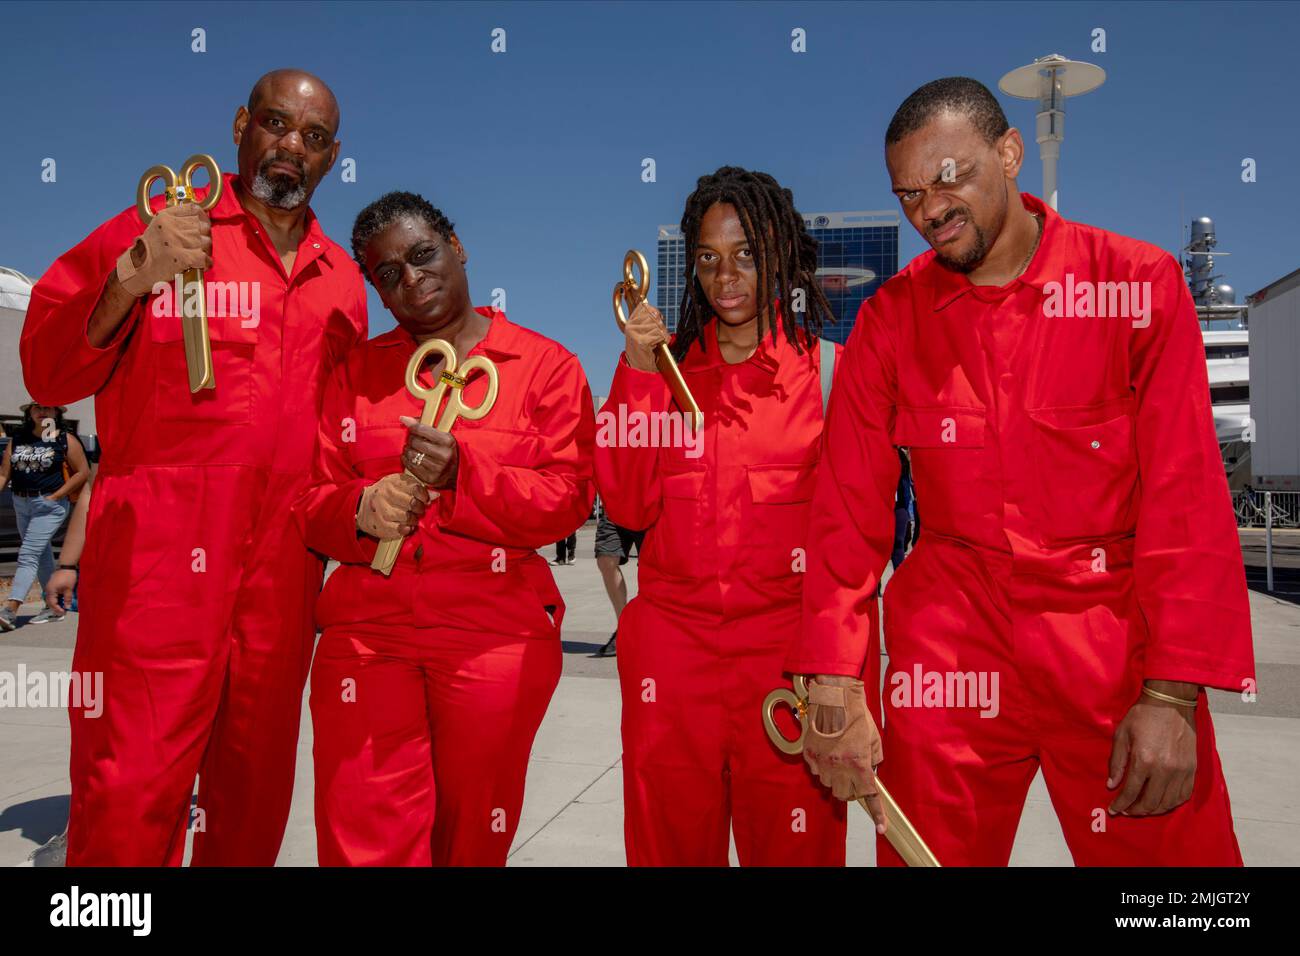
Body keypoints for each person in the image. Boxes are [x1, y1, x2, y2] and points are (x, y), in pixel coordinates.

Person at [789, 77, 1254, 866]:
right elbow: (847, 510)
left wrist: (1174, 693)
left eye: (948, 177)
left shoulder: (1135, 288)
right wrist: (833, 681)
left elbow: (1187, 497)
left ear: (1010, 155)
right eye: (908, 194)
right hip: (950, 661)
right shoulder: (891, 320)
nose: (928, 211)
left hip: (1115, 657)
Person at [20, 69, 367, 865]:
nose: (291, 148)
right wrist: (127, 279)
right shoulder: (161, 223)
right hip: (155, 577)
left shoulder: (343, 284)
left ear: (334, 157)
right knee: (127, 792)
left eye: (313, 139)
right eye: (276, 125)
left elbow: (345, 438)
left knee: (251, 795)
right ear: (241, 125)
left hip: (281, 582)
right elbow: (47, 373)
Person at [293, 191, 595, 866]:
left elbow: (568, 499)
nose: (411, 279)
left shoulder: (547, 368)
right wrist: (360, 511)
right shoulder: (353, 373)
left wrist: (467, 472)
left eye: (423, 254)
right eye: (388, 273)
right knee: (362, 834)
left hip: (493, 632)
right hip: (368, 635)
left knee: (472, 836)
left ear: (456, 247)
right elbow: (310, 502)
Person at [595, 166, 851, 865]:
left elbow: (852, 548)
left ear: (783, 257)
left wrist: (841, 675)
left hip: (787, 666)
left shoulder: (831, 378)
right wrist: (638, 371)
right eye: (708, 257)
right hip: (672, 669)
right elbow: (624, 503)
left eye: (747, 252)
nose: (726, 274)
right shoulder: (662, 376)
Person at [0, 403, 89, 630]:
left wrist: (58, 494)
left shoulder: (63, 439)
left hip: (50, 505)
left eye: (48, 408)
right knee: (41, 555)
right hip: (21, 502)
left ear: (56, 413)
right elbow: (3, 474)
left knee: (28, 554)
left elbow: (82, 472)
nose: (42, 412)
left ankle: (10, 609)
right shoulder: (18, 439)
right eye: (36, 408)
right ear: (28, 413)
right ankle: (53, 606)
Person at [592, 506, 644, 657]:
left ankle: (651, 627)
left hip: (650, 506)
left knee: (650, 569)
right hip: (615, 507)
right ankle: (625, 628)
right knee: (605, 558)